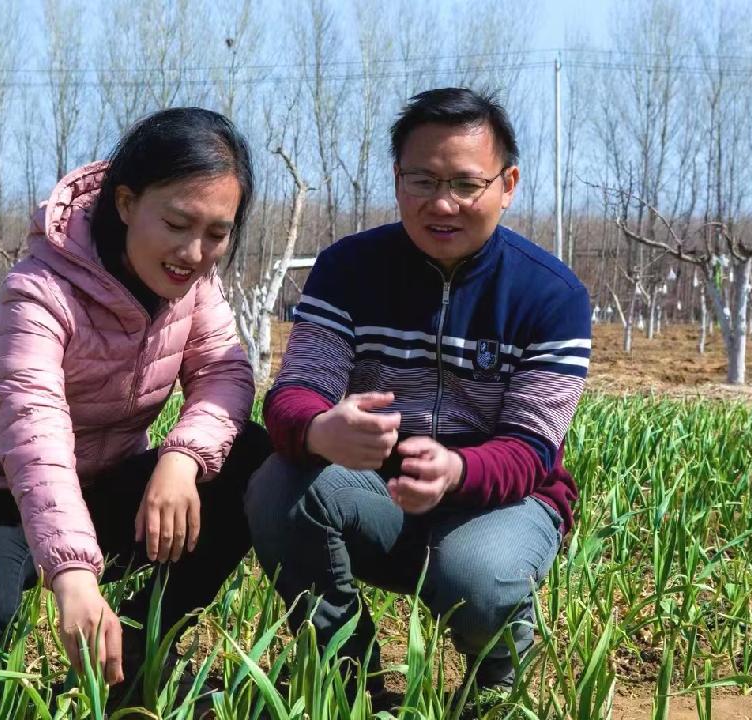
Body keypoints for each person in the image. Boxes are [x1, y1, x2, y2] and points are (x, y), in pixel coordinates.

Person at [0, 107, 271, 690]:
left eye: (216, 234)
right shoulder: (39, 292)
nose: (194, 252)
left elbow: (225, 376)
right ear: (126, 204)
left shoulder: (195, 288)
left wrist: (181, 459)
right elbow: (34, 432)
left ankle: (144, 647)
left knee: (251, 459)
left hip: (102, 486)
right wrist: (72, 574)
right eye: (176, 223)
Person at [245, 88, 591, 699]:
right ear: (397, 177)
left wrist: (457, 468)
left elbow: (531, 447)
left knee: (477, 575)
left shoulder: (550, 295)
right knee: (278, 488)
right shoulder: (348, 270)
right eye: (423, 180)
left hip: (498, 502)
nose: (443, 204)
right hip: (379, 491)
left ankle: (496, 686)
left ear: (507, 184)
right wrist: (322, 428)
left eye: (466, 184)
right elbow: (295, 392)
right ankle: (350, 682)